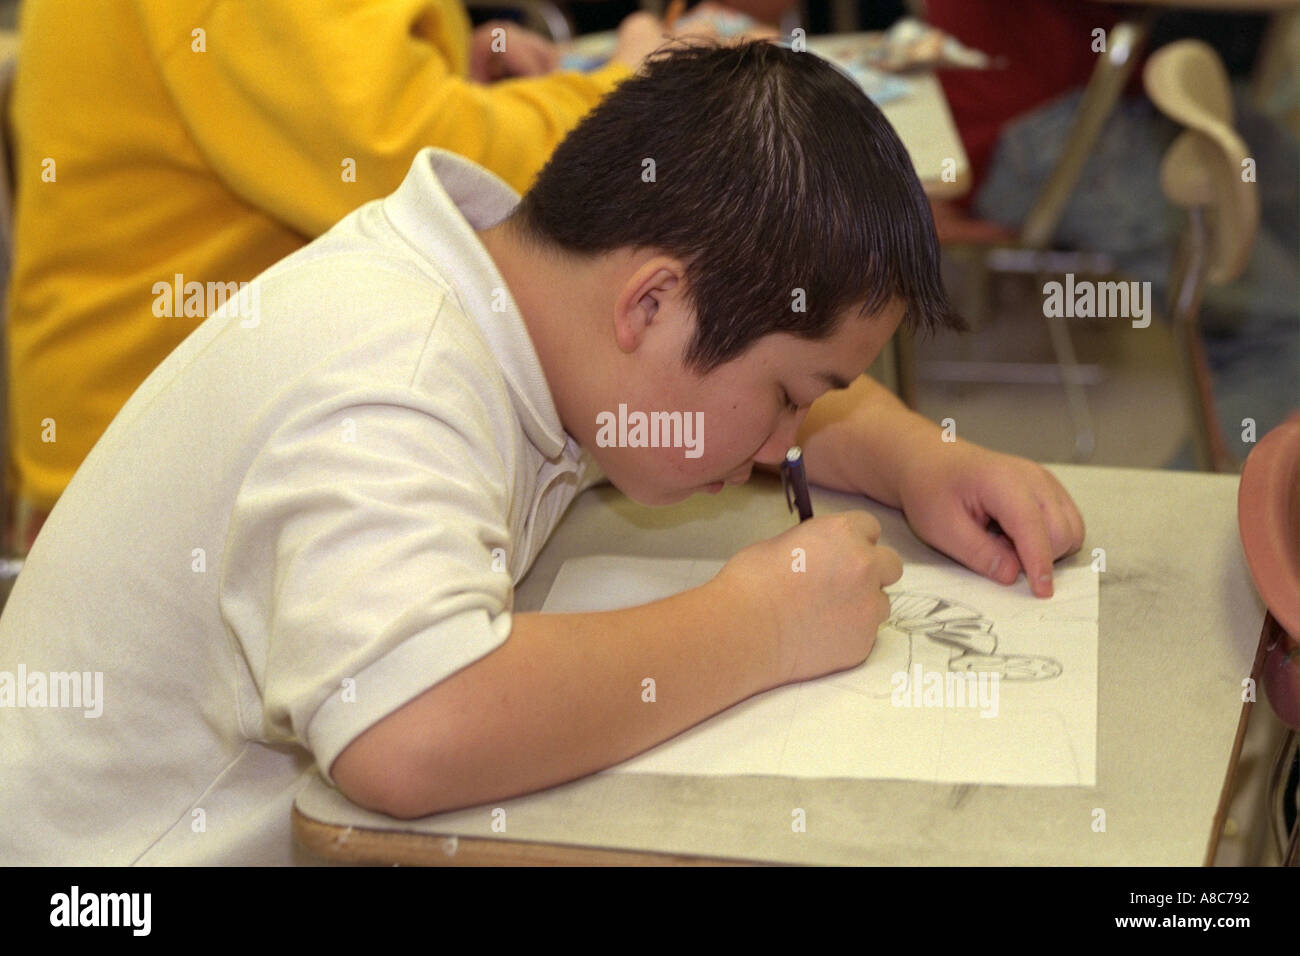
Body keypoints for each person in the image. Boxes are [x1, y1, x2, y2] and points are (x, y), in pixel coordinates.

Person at [0, 40, 1084, 864]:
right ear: (651, 300)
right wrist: (759, 625)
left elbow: (706, 405)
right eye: (791, 397)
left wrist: (912, 461)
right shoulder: (399, 380)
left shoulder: (522, 295)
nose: (787, 443)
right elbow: (411, 729)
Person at [2, 0, 696, 554]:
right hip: (172, 506)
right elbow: (397, 153)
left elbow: (319, 89)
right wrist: (630, 94)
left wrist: (441, 60)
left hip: (192, 455)